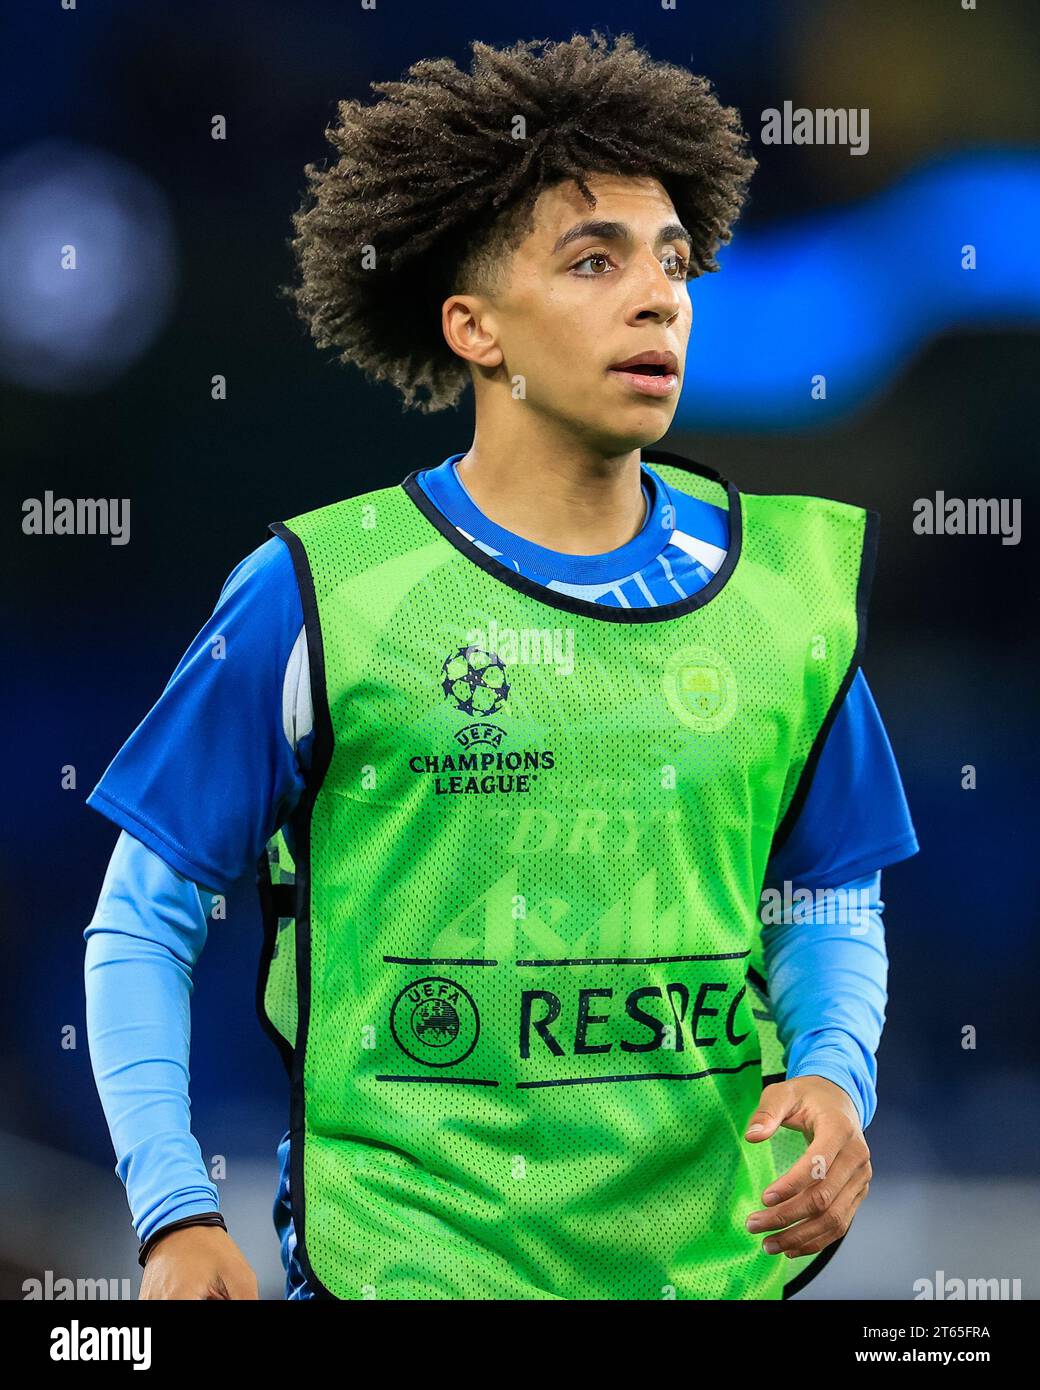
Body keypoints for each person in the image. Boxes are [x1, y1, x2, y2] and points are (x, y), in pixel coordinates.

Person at [84, 32, 918, 1300]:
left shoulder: (780, 592)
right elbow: (142, 919)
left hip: (710, 1277)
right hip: (406, 1271)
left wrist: (834, 1069)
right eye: (594, 261)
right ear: (472, 327)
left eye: (673, 264)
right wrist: (172, 1206)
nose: (658, 299)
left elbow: (824, 894)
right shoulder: (321, 592)